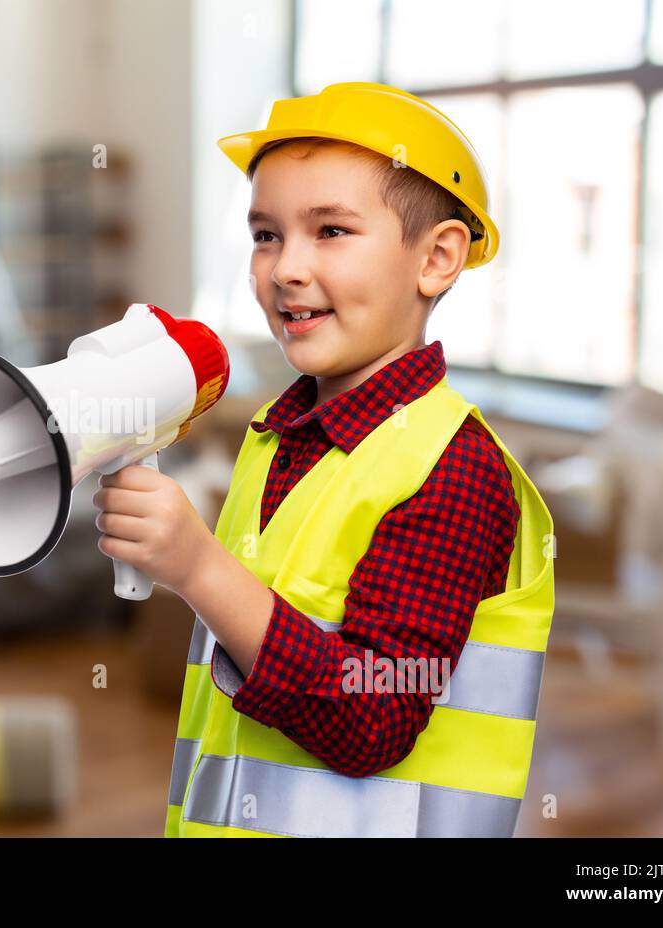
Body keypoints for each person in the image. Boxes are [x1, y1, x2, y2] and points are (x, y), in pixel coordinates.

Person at [91, 82, 556, 837]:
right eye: (266, 234)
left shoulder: (456, 469)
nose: (284, 269)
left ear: (437, 258)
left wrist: (198, 566)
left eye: (331, 231)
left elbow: (372, 718)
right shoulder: (280, 436)